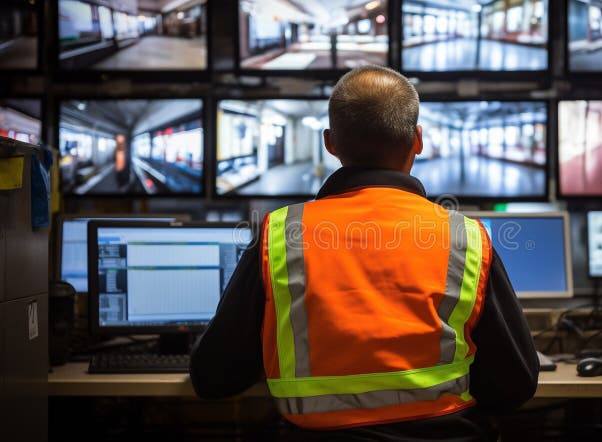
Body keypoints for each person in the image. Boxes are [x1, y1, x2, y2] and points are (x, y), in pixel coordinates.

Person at [189, 66, 539, 441]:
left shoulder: (280, 233)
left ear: (330, 144)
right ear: (417, 140)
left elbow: (215, 378)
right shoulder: (466, 237)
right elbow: (515, 384)